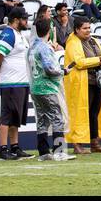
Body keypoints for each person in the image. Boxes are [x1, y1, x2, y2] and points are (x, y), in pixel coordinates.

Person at [64, 17, 101, 155]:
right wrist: (99, 60)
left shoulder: (93, 40)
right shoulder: (72, 42)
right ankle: (76, 144)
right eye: (85, 28)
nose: (88, 31)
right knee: (78, 113)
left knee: (94, 113)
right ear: (77, 29)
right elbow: (79, 62)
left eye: (89, 28)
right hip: (80, 83)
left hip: (95, 81)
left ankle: (94, 142)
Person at [0, 5, 33, 160]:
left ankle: (14, 147)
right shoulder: (8, 34)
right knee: (7, 116)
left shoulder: (18, 34)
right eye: (24, 19)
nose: (27, 21)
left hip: (21, 82)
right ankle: (3, 150)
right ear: (16, 20)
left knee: (15, 117)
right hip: (11, 82)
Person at [29, 16, 74, 161]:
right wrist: (63, 71)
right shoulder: (44, 47)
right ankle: (59, 151)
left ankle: (43, 152)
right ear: (49, 31)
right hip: (47, 88)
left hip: (35, 88)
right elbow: (49, 69)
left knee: (42, 120)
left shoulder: (32, 47)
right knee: (57, 118)